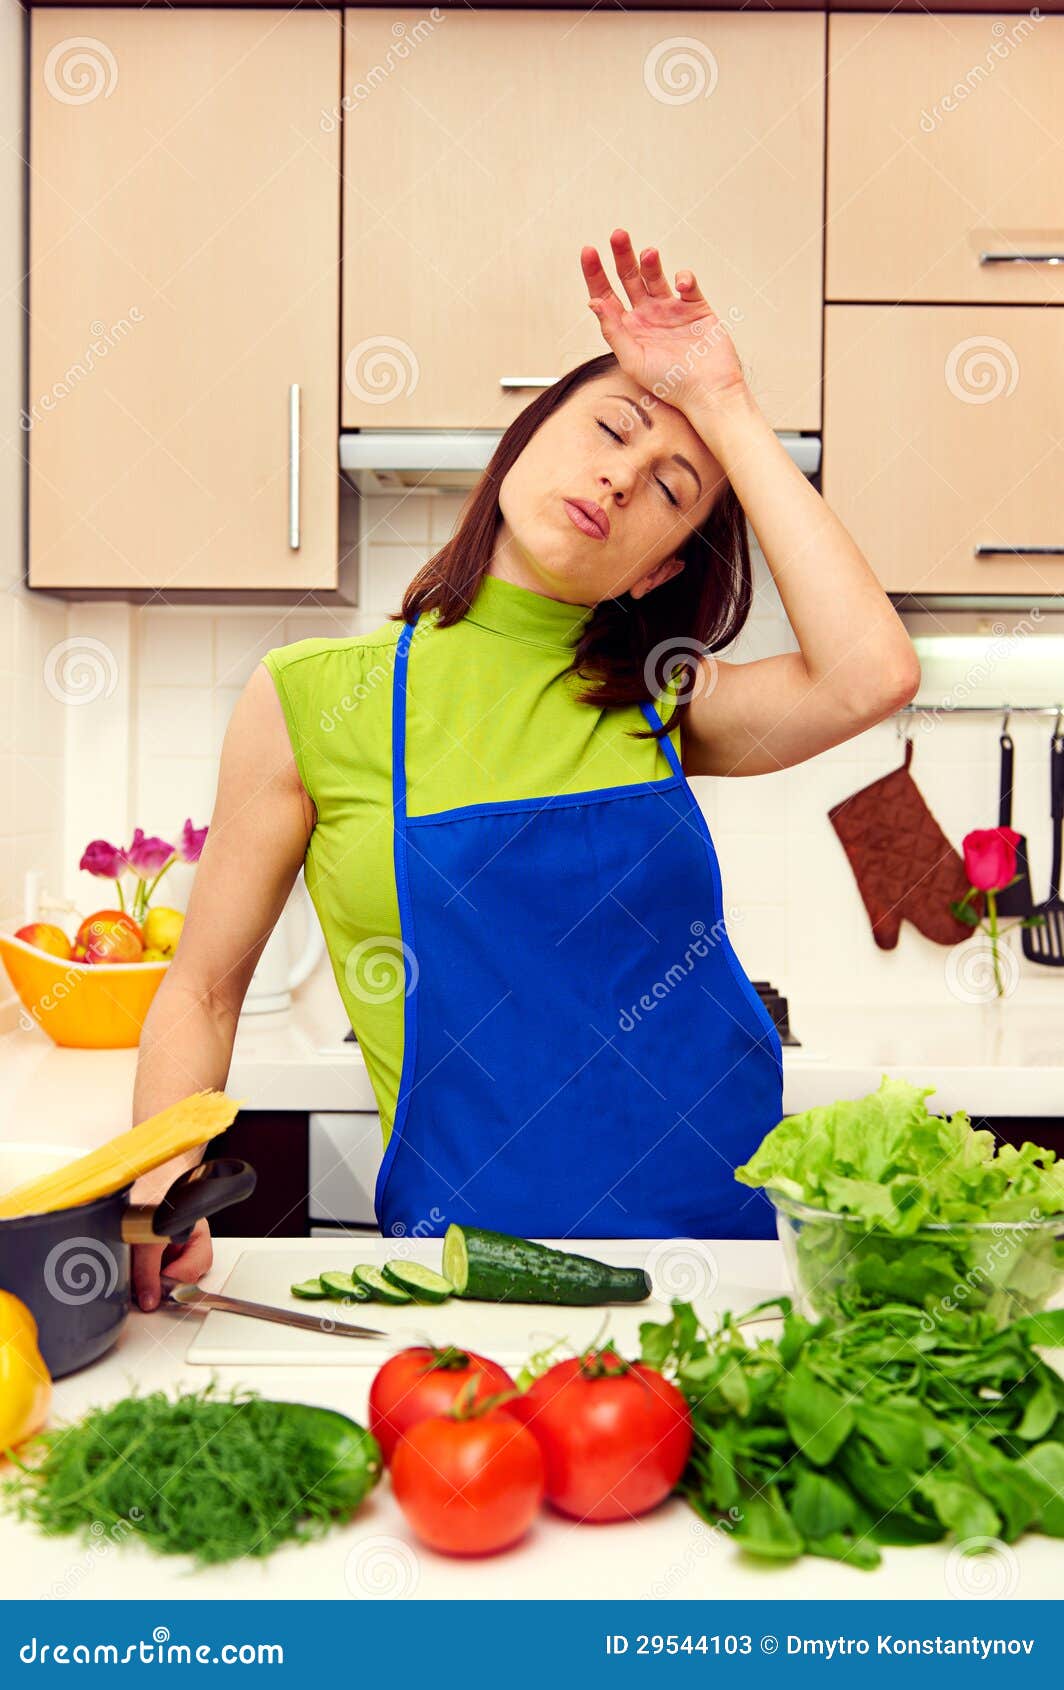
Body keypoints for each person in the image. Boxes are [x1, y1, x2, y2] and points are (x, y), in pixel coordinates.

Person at [128, 230, 920, 1310]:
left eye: (669, 489)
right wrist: (159, 1184)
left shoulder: (661, 694)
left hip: (716, 1242)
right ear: (525, 435)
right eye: (610, 430)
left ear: (658, 567)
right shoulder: (313, 696)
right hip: (469, 1260)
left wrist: (726, 406)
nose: (618, 476)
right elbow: (206, 986)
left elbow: (871, 673)